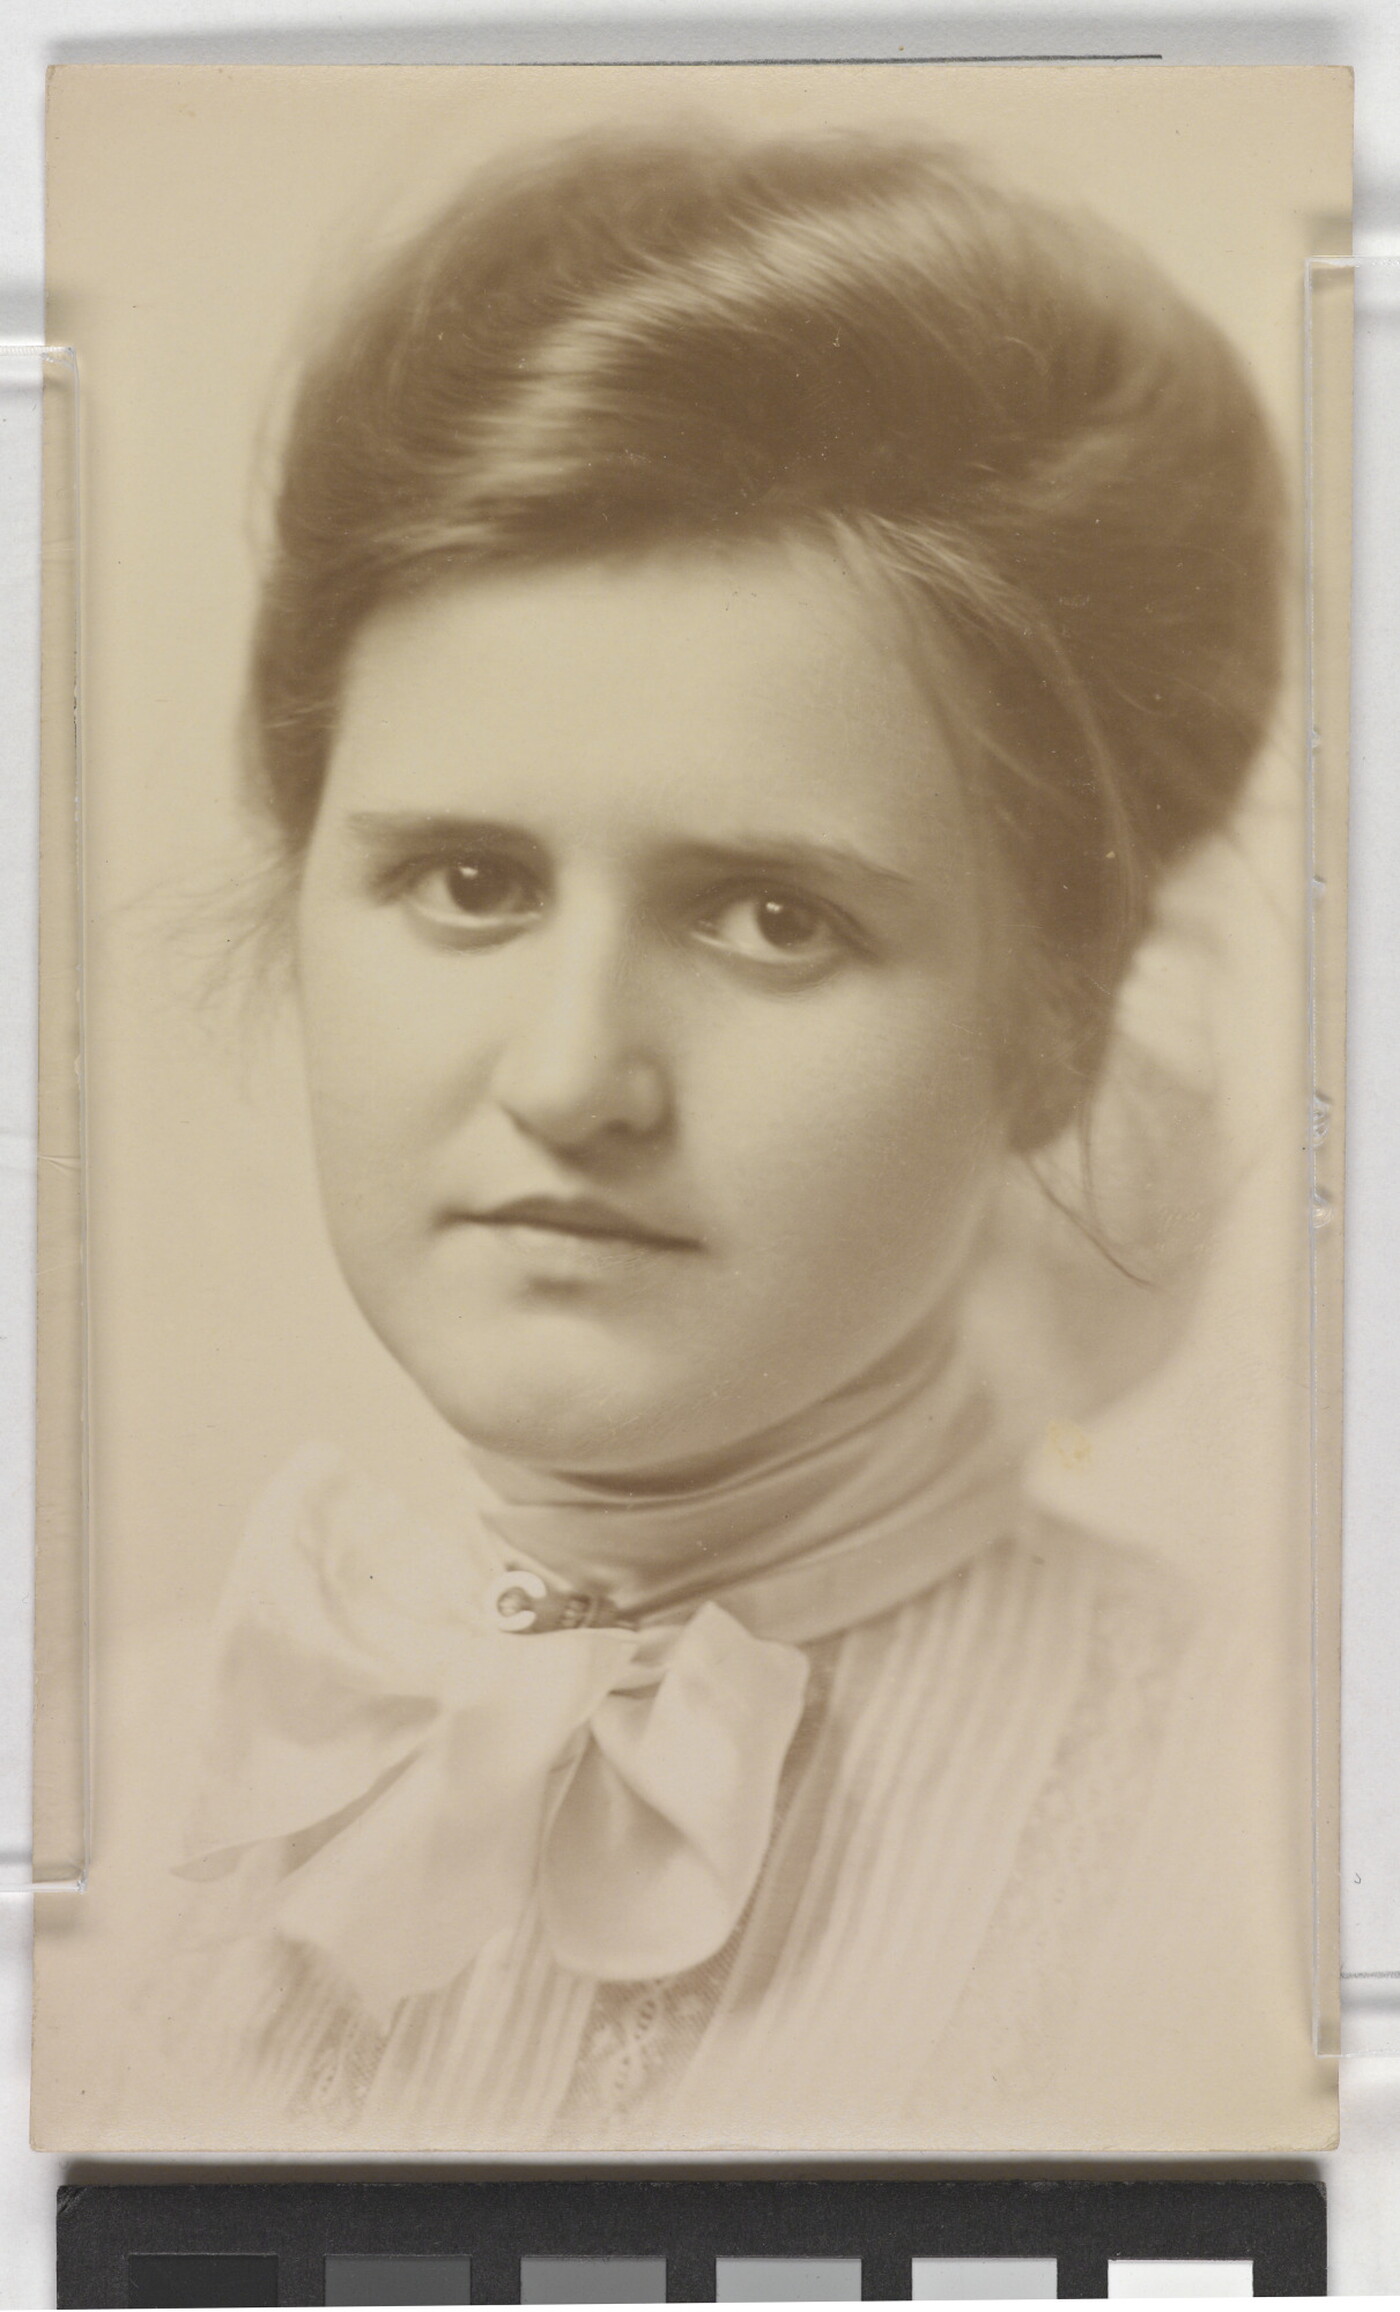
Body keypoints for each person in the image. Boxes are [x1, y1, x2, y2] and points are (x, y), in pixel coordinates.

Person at [133, 126, 1313, 2151]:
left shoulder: (1274, 1845)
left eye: (773, 916)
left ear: (1061, 1018)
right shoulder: (116, 1773)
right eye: (470, 883)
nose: (575, 1073)